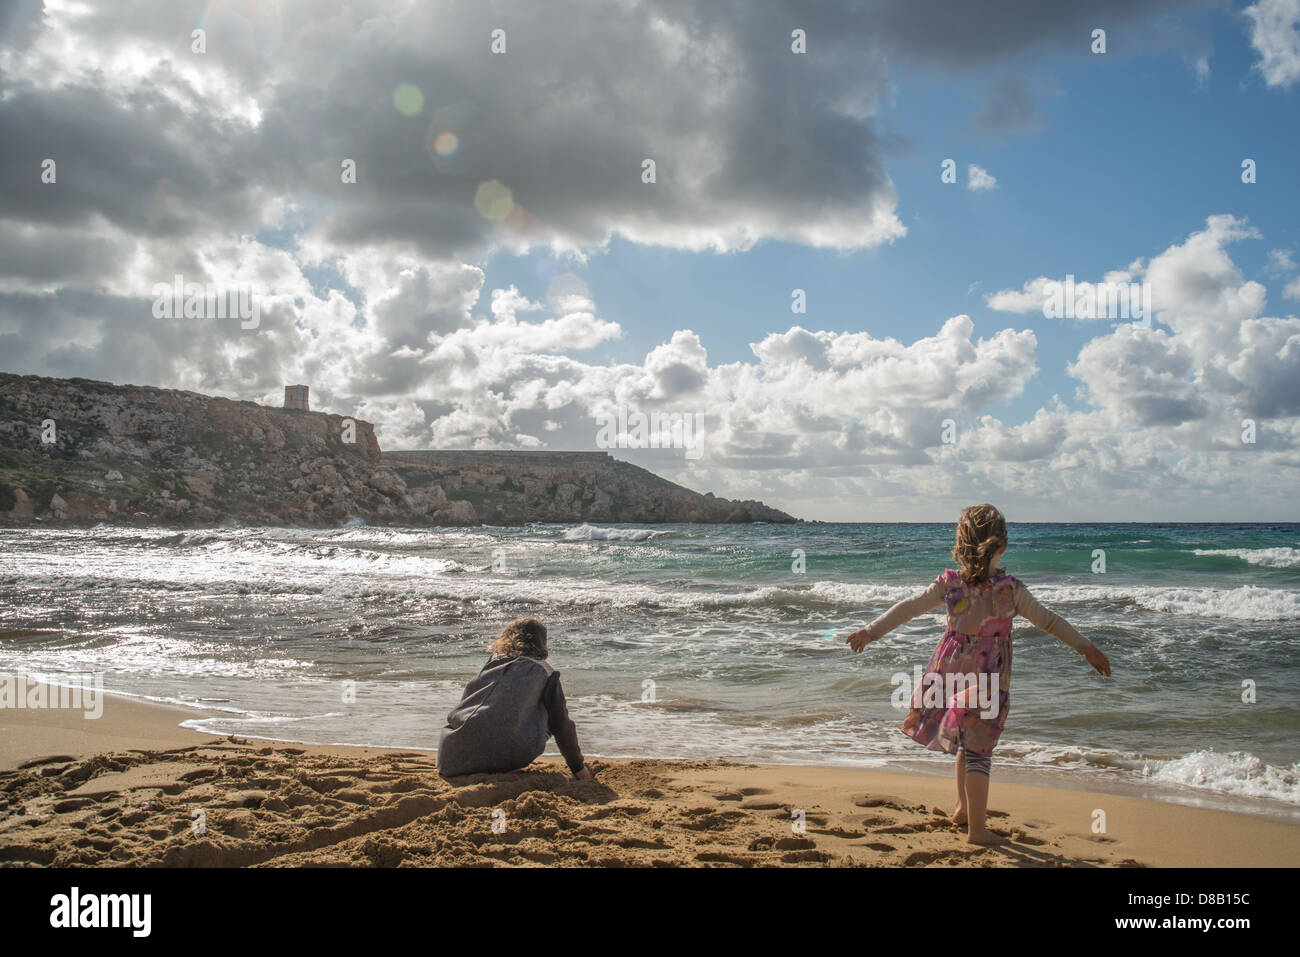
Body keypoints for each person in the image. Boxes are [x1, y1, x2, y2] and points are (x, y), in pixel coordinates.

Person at [846, 504, 1111, 844]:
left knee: (964, 740)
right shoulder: (1009, 589)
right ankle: (978, 831)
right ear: (1001, 546)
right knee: (980, 750)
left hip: (950, 670)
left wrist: (871, 631)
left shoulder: (950, 584)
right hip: (988, 677)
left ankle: (962, 809)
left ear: (960, 545)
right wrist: (1086, 648)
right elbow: (1049, 621)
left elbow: (909, 608)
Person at [438, 617, 593, 780]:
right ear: (542, 642)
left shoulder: (493, 663)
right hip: (507, 754)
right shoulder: (545, 672)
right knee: (548, 713)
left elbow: (467, 702)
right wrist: (578, 767)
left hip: (452, 755)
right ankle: (500, 761)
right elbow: (561, 724)